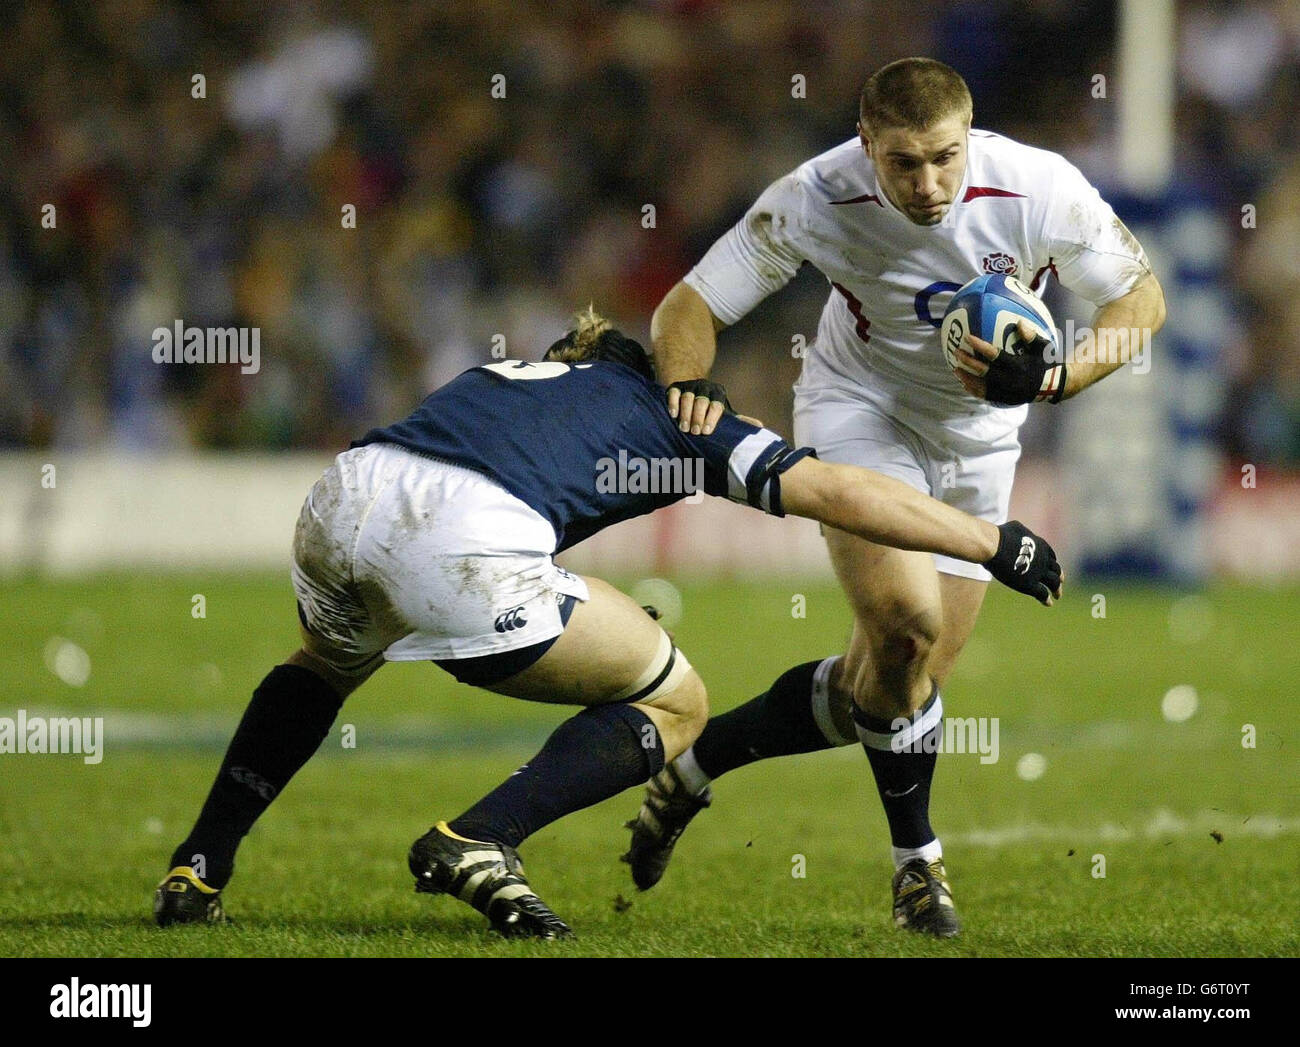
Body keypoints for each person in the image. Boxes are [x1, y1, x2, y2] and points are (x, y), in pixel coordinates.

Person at [154, 309, 1061, 940]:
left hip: (343, 492)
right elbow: (838, 490)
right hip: (462, 537)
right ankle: (480, 837)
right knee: (676, 703)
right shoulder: (680, 408)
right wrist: (991, 541)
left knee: (322, 663)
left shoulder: (506, 373)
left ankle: (198, 865)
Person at [629, 56, 1164, 937]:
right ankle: (919, 868)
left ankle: (694, 768)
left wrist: (1063, 372)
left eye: (946, 157)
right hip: (859, 409)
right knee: (906, 625)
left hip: (983, 441)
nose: (929, 183)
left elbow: (1141, 302)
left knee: (885, 693)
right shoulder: (815, 196)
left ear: (970, 133)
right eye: (905, 162)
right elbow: (688, 306)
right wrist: (689, 383)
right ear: (865, 140)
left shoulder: (1038, 187)